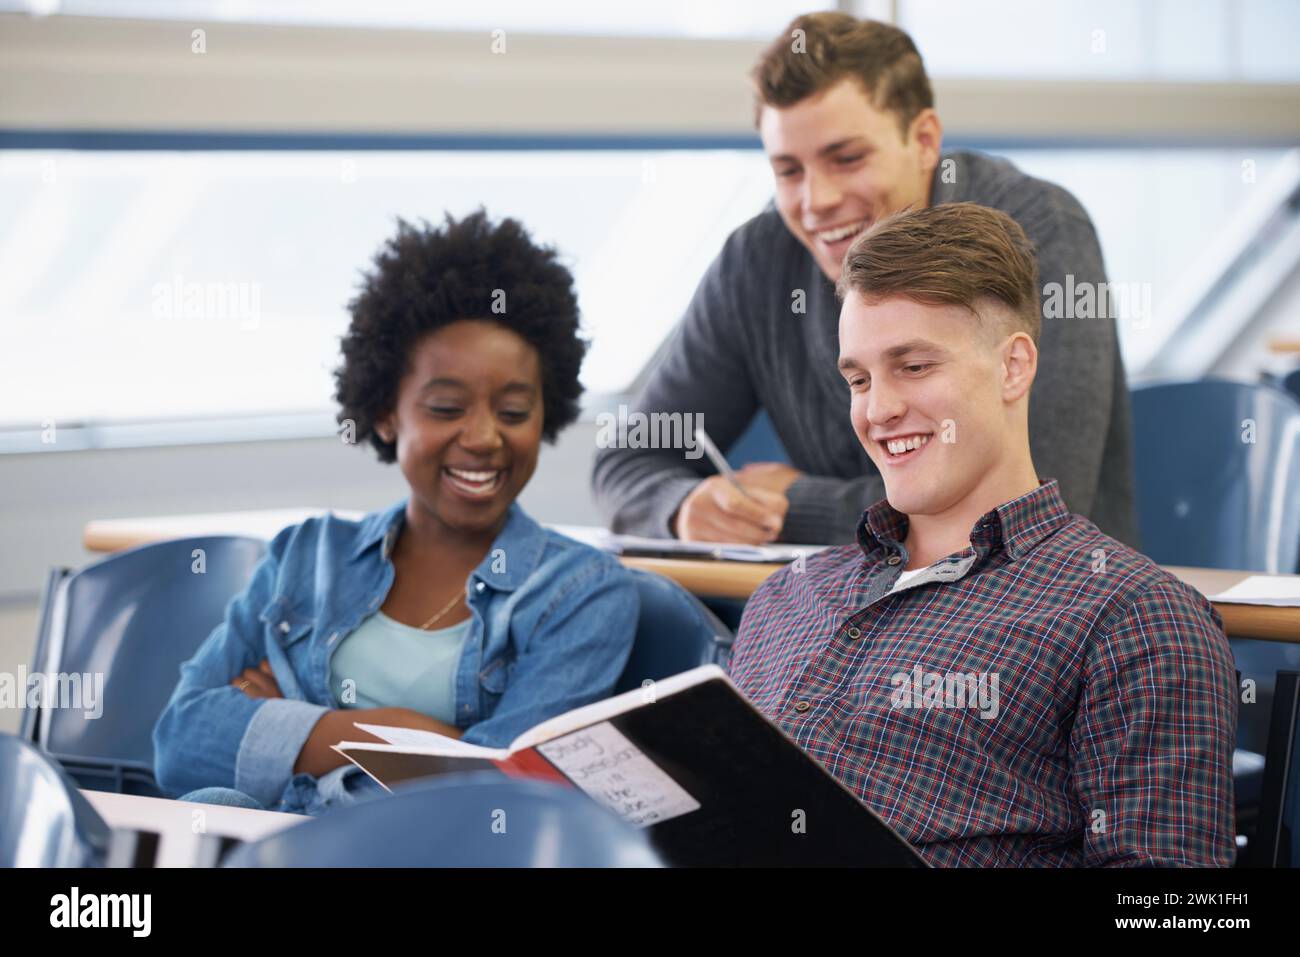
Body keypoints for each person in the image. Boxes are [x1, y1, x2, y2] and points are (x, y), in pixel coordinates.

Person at [728, 202, 1236, 866]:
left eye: (913, 367)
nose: (878, 409)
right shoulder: (785, 598)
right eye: (858, 378)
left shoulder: (1134, 620)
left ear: (1014, 367)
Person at [153, 211, 639, 814]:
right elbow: (181, 740)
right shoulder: (306, 555)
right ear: (387, 413)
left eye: (514, 412)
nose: (485, 437)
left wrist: (293, 727)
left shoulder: (583, 594)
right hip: (285, 847)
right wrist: (409, 735)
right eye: (445, 407)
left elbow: (503, 796)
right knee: (212, 800)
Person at [592, 11, 1137, 548]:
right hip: (855, 607)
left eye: (847, 158)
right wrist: (683, 508)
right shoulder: (757, 263)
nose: (817, 202)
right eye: (788, 171)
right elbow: (630, 457)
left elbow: (1041, 495)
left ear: (924, 141)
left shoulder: (1038, 229)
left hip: (1039, 605)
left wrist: (796, 507)